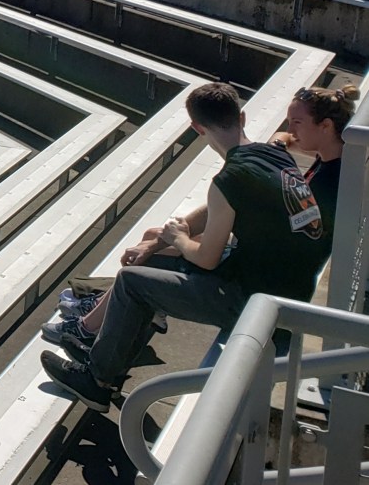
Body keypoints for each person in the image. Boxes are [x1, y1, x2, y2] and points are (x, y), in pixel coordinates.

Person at [40, 82, 339, 412]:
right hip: (282, 283)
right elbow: (214, 212)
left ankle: (96, 382)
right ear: (241, 117)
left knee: (131, 283)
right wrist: (156, 244)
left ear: (198, 128)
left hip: (253, 300)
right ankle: (103, 349)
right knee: (148, 267)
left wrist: (180, 239)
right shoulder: (272, 154)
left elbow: (207, 259)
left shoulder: (229, 179)